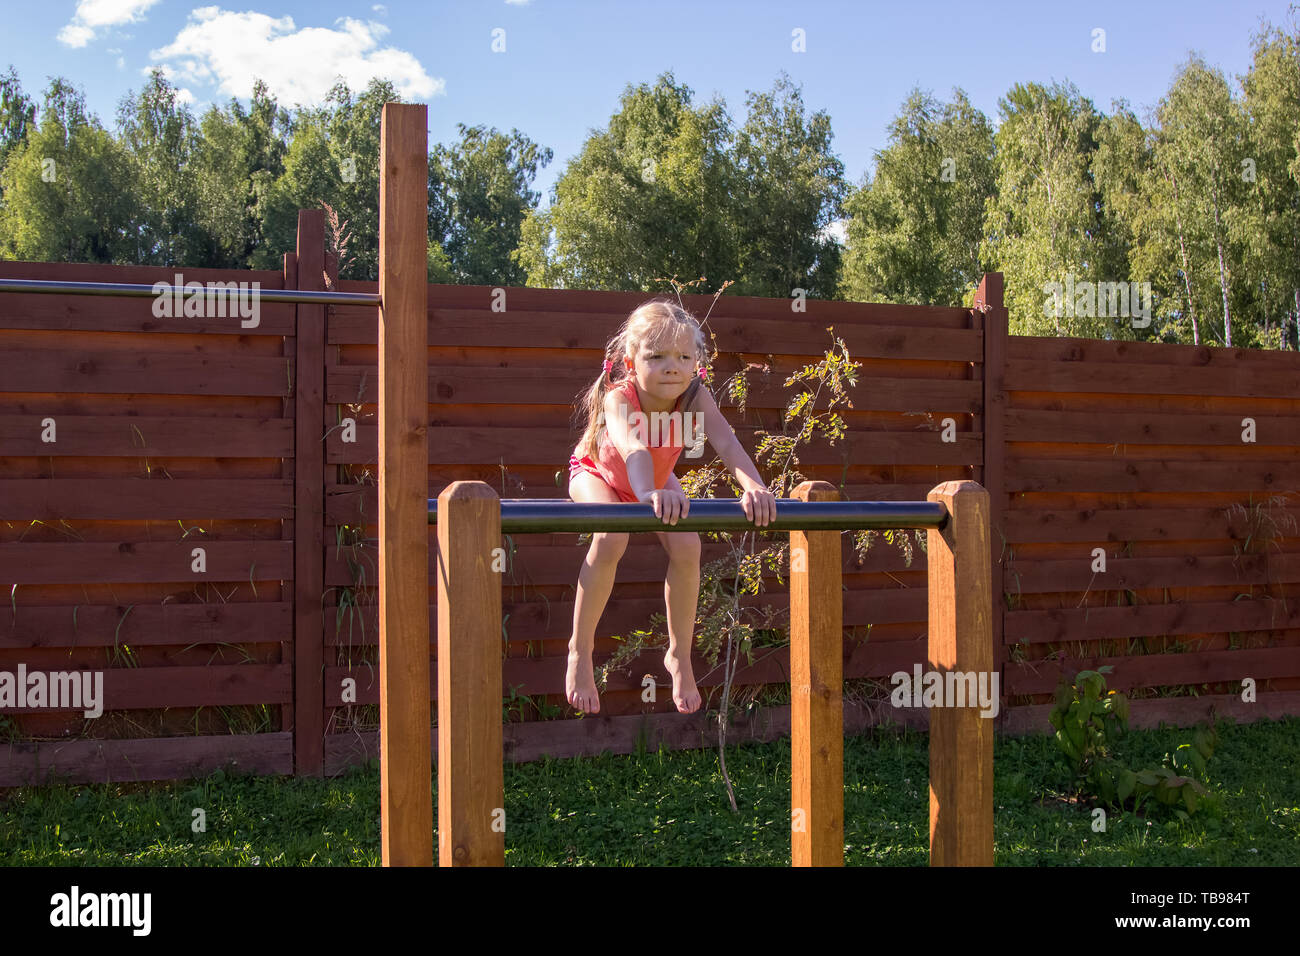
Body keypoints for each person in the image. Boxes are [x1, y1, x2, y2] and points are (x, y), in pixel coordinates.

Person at [566, 298, 777, 715]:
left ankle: (679, 653)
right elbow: (634, 447)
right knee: (611, 534)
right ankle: (580, 650)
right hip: (599, 472)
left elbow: (729, 443)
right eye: (657, 356)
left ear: (697, 363)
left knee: (688, 547)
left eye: (684, 357)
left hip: (655, 481)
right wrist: (646, 496)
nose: (672, 367)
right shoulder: (618, 398)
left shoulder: (695, 395)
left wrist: (755, 486)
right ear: (630, 361)